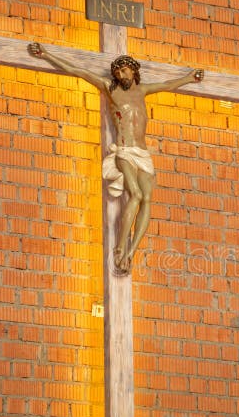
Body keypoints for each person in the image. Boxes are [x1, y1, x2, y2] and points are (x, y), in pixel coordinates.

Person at [27, 43, 203, 274]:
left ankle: (131, 252)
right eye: (118, 72)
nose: (121, 75)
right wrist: (47, 55)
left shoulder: (143, 90)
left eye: (125, 70)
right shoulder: (110, 89)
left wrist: (189, 78)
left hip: (142, 153)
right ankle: (121, 246)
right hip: (124, 151)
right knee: (136, 194)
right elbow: (78, 71)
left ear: (133, 70)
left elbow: (169, 84)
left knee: (147, 199)